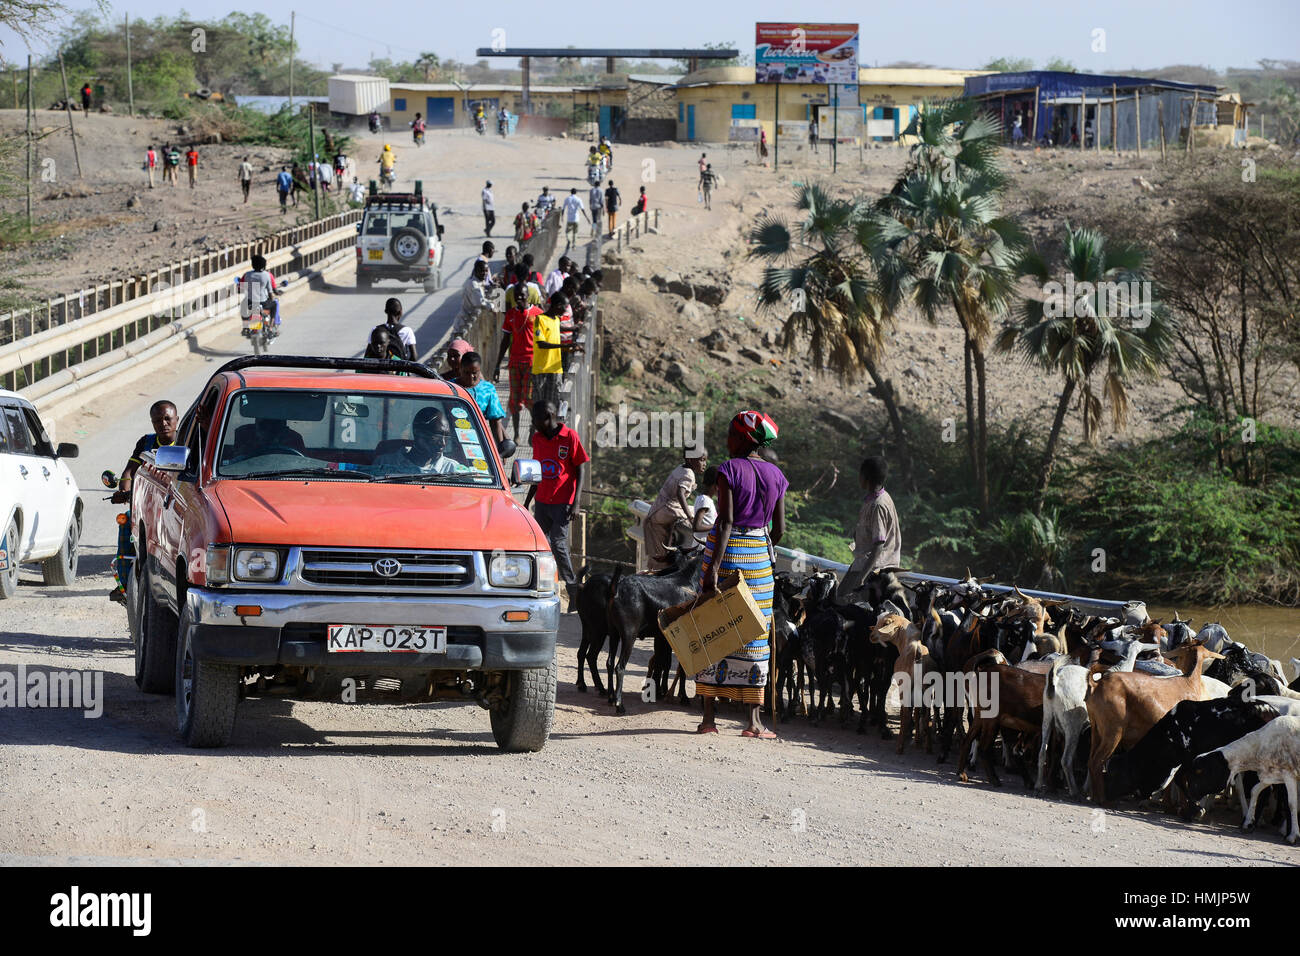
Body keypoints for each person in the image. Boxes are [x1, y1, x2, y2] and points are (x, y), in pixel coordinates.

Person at [695, 410, 787, 738]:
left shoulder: (728, 470)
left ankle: (708, 719)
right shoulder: (776, 474)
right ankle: (753, 722)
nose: (726, 441)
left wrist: (714, 570)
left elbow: (725, 521)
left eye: (730, 434)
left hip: (728, 555)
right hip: (760, 561)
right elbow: (779, 530)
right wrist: (760, 549)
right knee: (754, 635)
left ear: (741, 438)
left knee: (713, 631)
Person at [109, 400, 179, 603]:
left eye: (167, 419)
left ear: (176, 419)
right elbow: (129, 472)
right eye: (157, 420)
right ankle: (124, 586)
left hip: (172, 509)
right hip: (147, 508)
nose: (163, 424)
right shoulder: (146, 443)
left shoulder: (187, 441)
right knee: (125, 525)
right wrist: (124, 490)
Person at [523, 400, 589, 611]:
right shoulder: (537, 439)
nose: (533, 424)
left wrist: (576, 502)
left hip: (562, 503)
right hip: (542, 500)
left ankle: (573, 592)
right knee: (538, 544)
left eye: (535, 420)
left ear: (549, 417)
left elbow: (580, 468)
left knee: (559, 545)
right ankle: (539, 587)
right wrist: (526, 501)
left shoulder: (569, 437)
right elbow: (536, 471)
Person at [836, 456, 902, 601]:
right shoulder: (872, 499)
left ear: (866, 477)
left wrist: (861, 578)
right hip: (862, 561)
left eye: (860, 474)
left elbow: (879, 545)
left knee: (842, 601)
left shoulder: (878, 505)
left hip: (874, 568)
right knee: (839, 595)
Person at [644, 447, 708, 571]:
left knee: (660, 552)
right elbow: (680, 493)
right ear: (690, 459)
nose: (704, 464)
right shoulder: (689, 474)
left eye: (705, 460)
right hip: (668, 510)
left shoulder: (681, 468)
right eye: (701, 460)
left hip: (659, 509)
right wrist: (690, 517)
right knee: (701, 512)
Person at [496, 276, 542, 439]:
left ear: (528, 296)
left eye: (522, 295)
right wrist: (497, 364)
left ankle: (532, 427)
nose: (520, 298)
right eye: (517, 296)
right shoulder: (510, 315)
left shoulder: (538, 314)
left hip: (531, 363)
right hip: (515, 362)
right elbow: (505, 340)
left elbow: (544, 340)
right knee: (514, 401)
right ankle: (516, 434)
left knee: (529, 399)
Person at [372, 407, 473, 475]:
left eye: (446, 436)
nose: (443, 443)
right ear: (417, 433)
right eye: (436, 435)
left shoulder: (452, 470)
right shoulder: (385, 463)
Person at [530, 293, 582, 422]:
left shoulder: (556, 320)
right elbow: (541, 344)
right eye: (564, 307)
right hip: (541, 370)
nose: (565, 310)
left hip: (555, 368)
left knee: (554, 403)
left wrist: (569, 345)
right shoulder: (540, 320)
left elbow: (556, 334)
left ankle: (551, 431)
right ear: (558, 305)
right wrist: (564, 345)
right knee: (540, 404)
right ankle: (535, 427)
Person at [455, 351, 506, 444]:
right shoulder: (450, 387)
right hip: (454, 440)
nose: (471, 377)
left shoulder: (487, 389)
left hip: (479, 442)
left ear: (479, 370)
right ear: (460, 369)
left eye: (474, 373)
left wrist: (501, 449)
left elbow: (495, 422)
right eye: (466, 372)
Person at [239, 254, 280, 335]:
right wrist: (272, 299)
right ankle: (271, 328)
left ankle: (245, 328)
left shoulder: (247, 275)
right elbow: (270, 291)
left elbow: (241, 289)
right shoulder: (266, 275)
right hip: (263, 302)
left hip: (250, 302)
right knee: (275, 304)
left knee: (243, 306)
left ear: (252, 265)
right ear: (264, 265)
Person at [457, 259, 495, 324]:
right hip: (466, 322)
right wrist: (492, 306)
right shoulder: (473, 284)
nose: (485, 273)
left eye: (486, 271)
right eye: (482, 271)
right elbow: (480, 302)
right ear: (475, 271)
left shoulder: (480, 281)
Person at [693, 465, 719, 546]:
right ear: (716, 485)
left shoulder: (706, 500)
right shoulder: (705, 500)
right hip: (701, 547)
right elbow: (697, 527)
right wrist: (716, 526)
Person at [561, 187, 588, 252]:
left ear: (571, 192)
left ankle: (569, 240)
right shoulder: (578, 199)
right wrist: (586, 217)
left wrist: (562, 216)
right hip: (576, 218)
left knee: (568, 231)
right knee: (575, 232)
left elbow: (563, 208)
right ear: (576, 192)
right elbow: (582, 209)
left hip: (569, 218)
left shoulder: (567, 199)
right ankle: (574, 244)